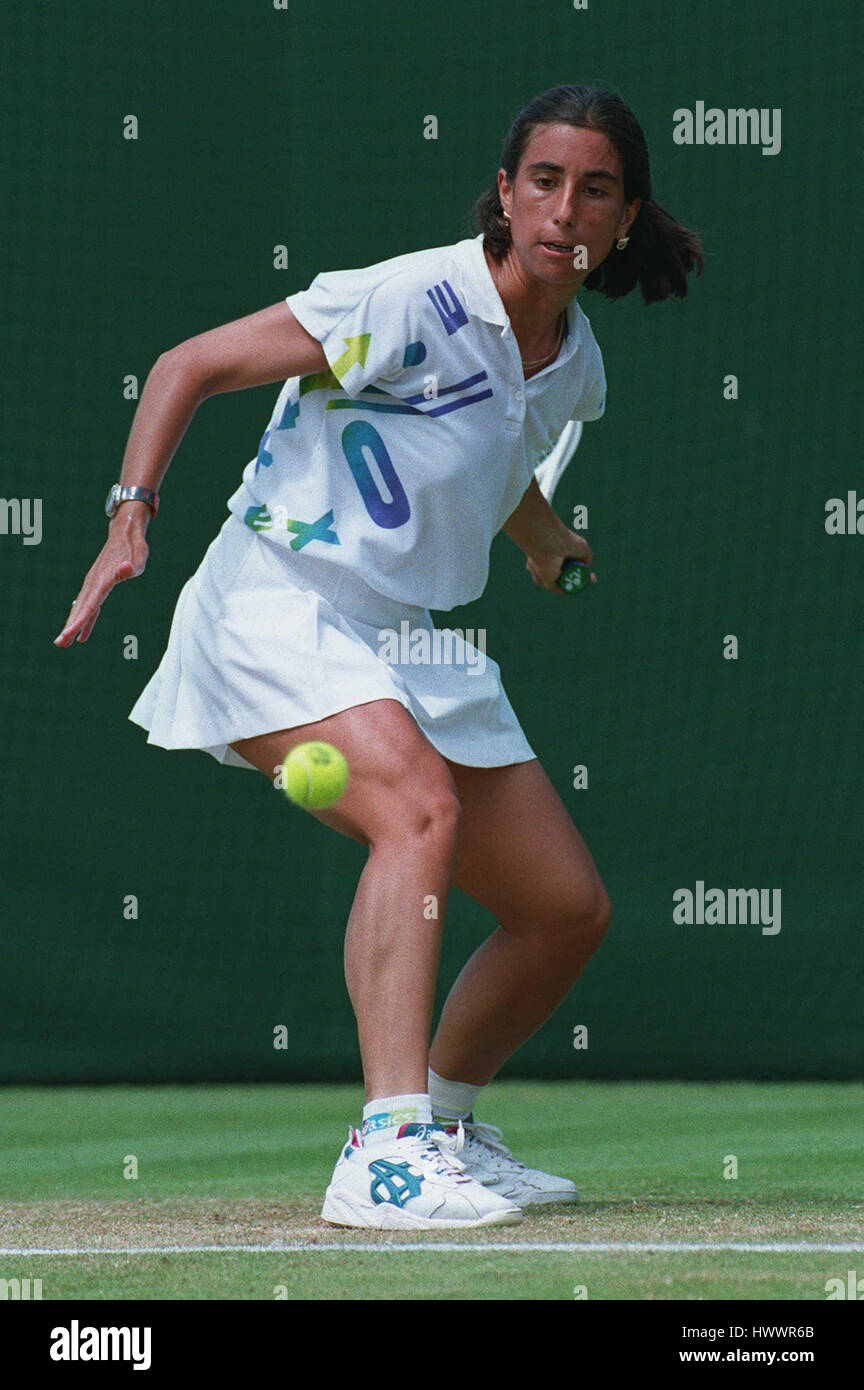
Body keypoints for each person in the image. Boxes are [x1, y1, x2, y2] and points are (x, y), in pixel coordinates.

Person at [54, 84, 702, 1230]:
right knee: (416, 810)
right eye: (542, 182)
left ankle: (446, 1123)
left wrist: (546, 542)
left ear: (627, 214)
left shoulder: (574, 362)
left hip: (407, 640)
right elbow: (183, 364)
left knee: (565, 908)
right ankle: (385, 1153)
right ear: (505, 195)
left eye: (594, 189)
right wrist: (129, 512)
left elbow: (491, 461)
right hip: (276, 599)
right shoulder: (410, 296)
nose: (565, 209)